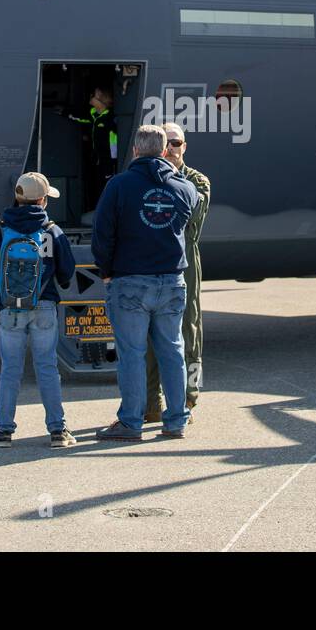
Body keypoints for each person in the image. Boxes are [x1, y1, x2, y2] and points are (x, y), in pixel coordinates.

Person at [92, 124, 197, 440]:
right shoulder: (185, 188)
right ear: (165, 151)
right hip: (172, 280)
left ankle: (131, 422)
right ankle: (177, 419)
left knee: (132, 354)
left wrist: (106, 269)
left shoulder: (119, 186)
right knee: (172, 351)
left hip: (130, 281)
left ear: (135, 151)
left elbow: (103, 233)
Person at [0, 172, 77, 449]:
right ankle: (58, 431)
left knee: (10, 369)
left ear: (18, 198)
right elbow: (67, 271)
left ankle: (4, 431)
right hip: (44, 305)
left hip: (10, 308)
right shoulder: (52, 230)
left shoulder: (0, 229)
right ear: (43, 200)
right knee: (46, 367)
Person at [145, 122, 211, 421]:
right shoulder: (148, 177)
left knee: (189, 329)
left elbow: (188, 218)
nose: (172, 148)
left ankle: (188, 398)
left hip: (185, 261)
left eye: (177, 143)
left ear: (184, 147)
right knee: (150, 336)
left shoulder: (197, 181)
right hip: (155, 262)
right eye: (167, 143)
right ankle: (152, 402)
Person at [67, 85, 117, 212]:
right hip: (97, 160)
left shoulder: (111, 118)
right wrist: (64, 112)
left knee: (106, 188)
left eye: (93, 95)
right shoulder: (94, 115)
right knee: (96, 186)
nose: (90, 97)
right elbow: (82, 118)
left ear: (101, 99)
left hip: (109, 163)